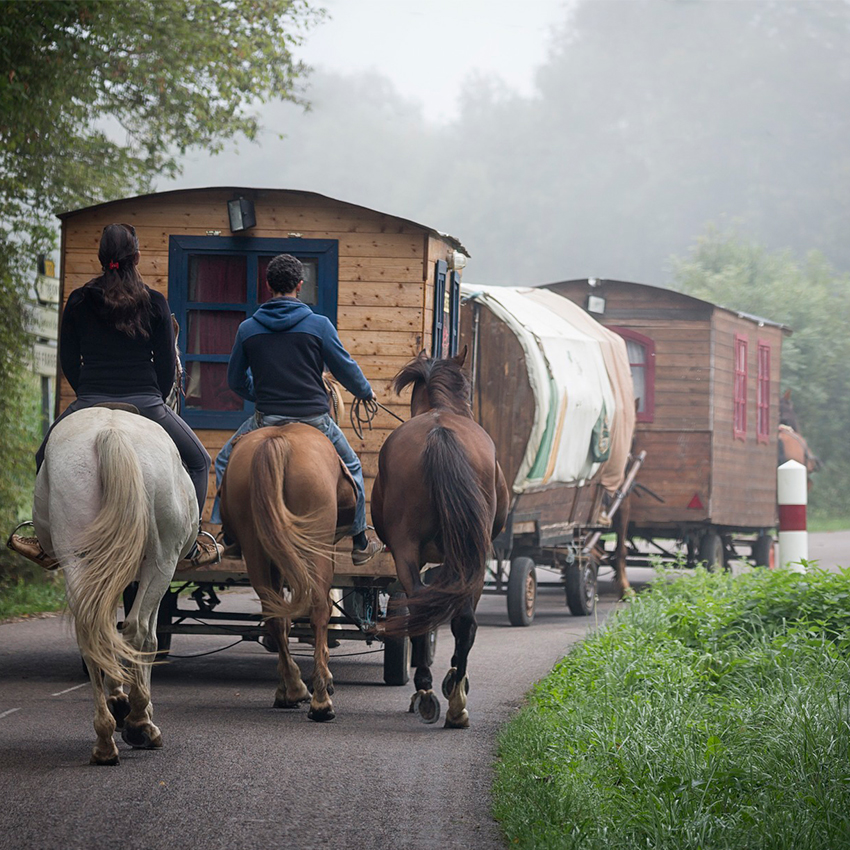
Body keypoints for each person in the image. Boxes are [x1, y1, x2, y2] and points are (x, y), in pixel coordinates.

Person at [8, 223, 222, 568]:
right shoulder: (154, 302)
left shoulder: (79, 299)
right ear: (136, 256)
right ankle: (191, 541)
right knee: (200, 461)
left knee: (43, 456)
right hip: (148, 403)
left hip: (90, 399)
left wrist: (87, 395)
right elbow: (168, 366)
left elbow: (68, 359)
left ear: (101, 257)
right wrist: (154, 394)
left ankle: (45, 541)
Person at [212, 253, 381, 565]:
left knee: (224, 461)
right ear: (300, 286)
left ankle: (231, 535)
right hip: (315, 420)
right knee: (353, 467)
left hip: (266, 418)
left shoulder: (248, 329)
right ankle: (359, 541)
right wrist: (364, 391)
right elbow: (344, 367)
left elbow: (234, 380)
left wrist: (257, 391)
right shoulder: (319, 325)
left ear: (268, 285)